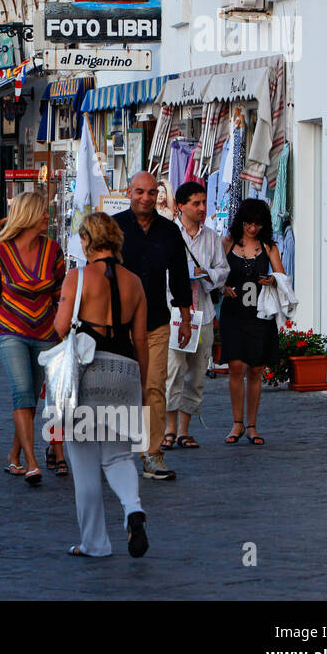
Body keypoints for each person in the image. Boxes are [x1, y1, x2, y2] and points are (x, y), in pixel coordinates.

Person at [52, 212, 150, 559]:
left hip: (87, 375)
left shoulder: (76, 278)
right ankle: (132, 508)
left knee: (83, 461)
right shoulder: (135, 282)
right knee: (119, 455)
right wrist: (142, 382)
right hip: (125, 370)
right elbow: (141, 340)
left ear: (85, 241)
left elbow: (60, 328)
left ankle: (95, 543)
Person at [0, 192, 66, 483]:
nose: (47, 218)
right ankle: (31, 461)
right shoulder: (1, 251)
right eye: (42, 213)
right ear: (29, 216)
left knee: (29, 400)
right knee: (23, 392)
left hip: (47, 333)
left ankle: (14, 456)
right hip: (10, 332)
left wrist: (63, 334)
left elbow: (59, 297)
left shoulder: (54, 250)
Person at [113, 171, 192, 481]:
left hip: (157, 322)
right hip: (119, 324)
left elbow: (181, 278)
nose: (146, 198)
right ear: (128, 192)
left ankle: (153, 454)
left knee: (154, 387)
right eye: (139, 192)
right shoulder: (114, 227)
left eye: (151, 193)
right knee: (118, 389)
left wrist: (185, 318)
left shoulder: (170, 231)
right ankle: (114, 454)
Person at [163, 182, 230, 451]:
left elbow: (222, 271)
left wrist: (207, 275)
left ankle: (184, 430)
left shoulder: (211, 238)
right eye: (196, 203)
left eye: (204, 203)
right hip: (175, 315)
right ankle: (168, 428)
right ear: (181, 206)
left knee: (197, 374)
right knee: (173, 371)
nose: (202, 208)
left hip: (201, 314)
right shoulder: (168, 235)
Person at [221, 198, 285, 447]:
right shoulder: (227, 243)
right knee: (236, 366)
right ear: (241, 222)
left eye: (257, 224)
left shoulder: (269, 247)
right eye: (248, 223)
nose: (252, 229)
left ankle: (252, 425)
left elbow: (281, 276)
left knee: (256, 368)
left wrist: (272, 279)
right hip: (234, 313)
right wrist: (223, 287)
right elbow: (215, 272)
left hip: (260, 315)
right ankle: (237, 423)